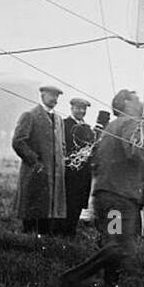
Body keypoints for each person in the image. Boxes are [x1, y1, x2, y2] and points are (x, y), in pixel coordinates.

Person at [60, 89, 144, 287]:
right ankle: (73, 278)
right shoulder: (130, 123)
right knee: (121, 246)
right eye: (137, 99)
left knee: (113, 244)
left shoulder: (112, 126)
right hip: (120, 200)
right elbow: (134, 151)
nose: (141, 102)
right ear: (126, 102)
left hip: (106, 197)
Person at [12, 84, 67, 238]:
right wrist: (35, 162)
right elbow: (18, 142)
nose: (54, 99)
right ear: (42, 95)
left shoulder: (58, 119)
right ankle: (27, 243)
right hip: (35, 173)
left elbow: (61, 145)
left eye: (57, 96)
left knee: (49, 213)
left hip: (54, 175)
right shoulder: (30, 115)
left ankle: (43, 243)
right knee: (32, 212)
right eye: (51, 95)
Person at [59, 98, 97, 236]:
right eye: (78, 108)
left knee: (79, 201)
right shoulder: (64, 124)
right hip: (69, 170)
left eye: (84, 109)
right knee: (69, 200)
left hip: (83, 171)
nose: (81, 111)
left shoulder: (87, 128)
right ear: (72, 108)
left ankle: (71, 229)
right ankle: (64, 231)